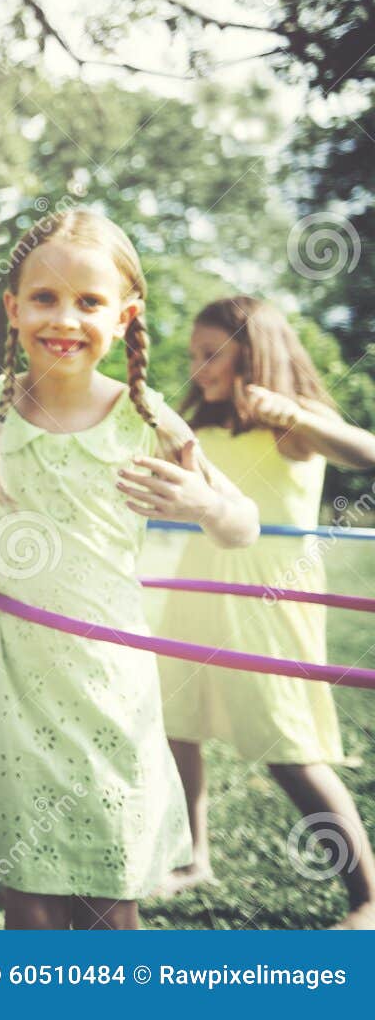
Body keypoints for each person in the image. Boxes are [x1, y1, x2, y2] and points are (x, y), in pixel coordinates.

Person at [0, 209, 258, 929]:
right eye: (46, 298)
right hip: (14, 684)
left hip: (110, 685)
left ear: (124, 317)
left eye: (89, 302)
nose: (65, 318)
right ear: (13, 307)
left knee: (108, 899)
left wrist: (206, 503)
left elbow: (242, 527)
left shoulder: (145, 418)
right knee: (29, 898)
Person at [156, 295, 375, 928]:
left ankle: (365, 894)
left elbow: (366, 451)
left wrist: (296, 410)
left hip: (269, 599)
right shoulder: (204, 429)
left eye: (212, 354)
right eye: (195, 355)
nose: (198, 367)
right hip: (198, 587)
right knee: (178, 724)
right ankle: (193, 856)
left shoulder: (295, 426)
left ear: (255, 350)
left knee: (287, 747)